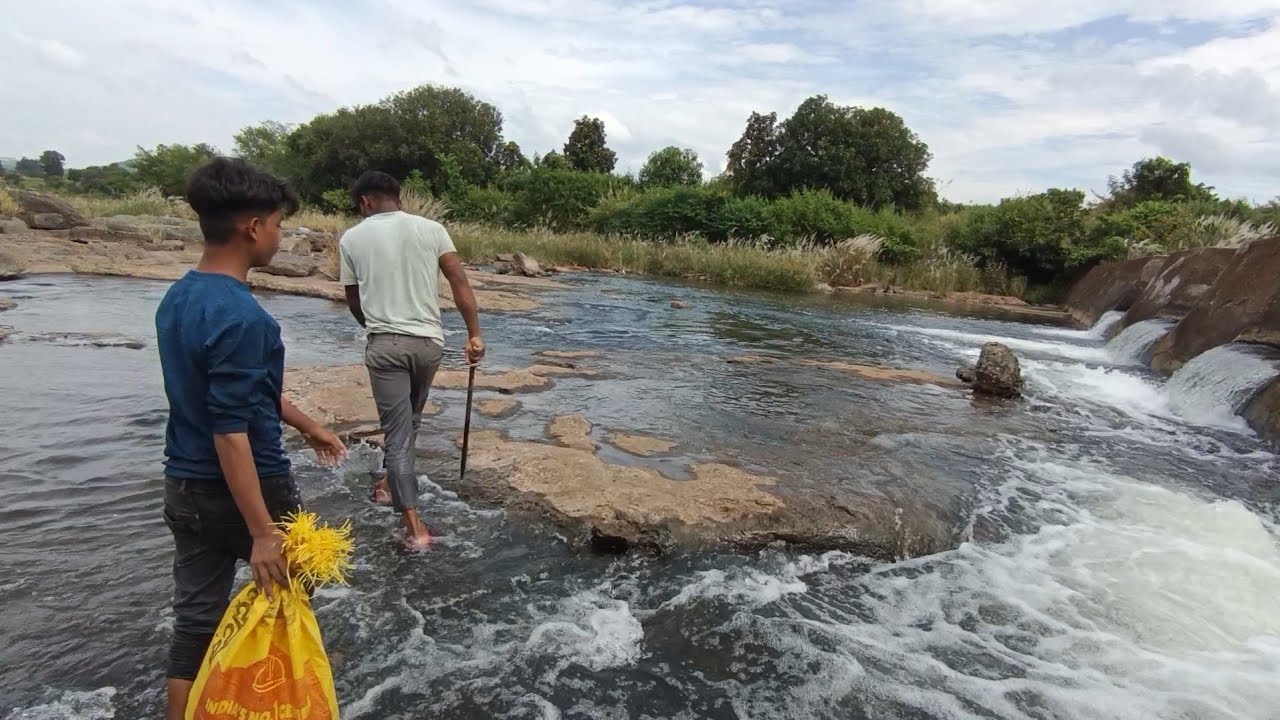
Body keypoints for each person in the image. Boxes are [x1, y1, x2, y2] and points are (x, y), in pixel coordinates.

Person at [155, 157, 348, 720]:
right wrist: (263, 532)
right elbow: (230, 430)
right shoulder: (244, 317)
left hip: (184, 486)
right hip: (249, 488)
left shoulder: (178, 298)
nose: (280, 236)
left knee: (195, 618)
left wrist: (310, 427)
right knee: (296, 594)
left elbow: (243, 395)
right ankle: (287, 694)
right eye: (279, 224)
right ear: (253, 226)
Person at [339, 170, 484, 550]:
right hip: (428, 345)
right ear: (397, 197)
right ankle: (389, 481)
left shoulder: (352, 237)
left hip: (386, 346)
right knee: (411, 420)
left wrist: (372, 327)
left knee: (399, 435)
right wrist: (474, 334)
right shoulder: (432, 229)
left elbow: (353, 299)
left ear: (366, 202)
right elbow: (460, 282)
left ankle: (414, 528)